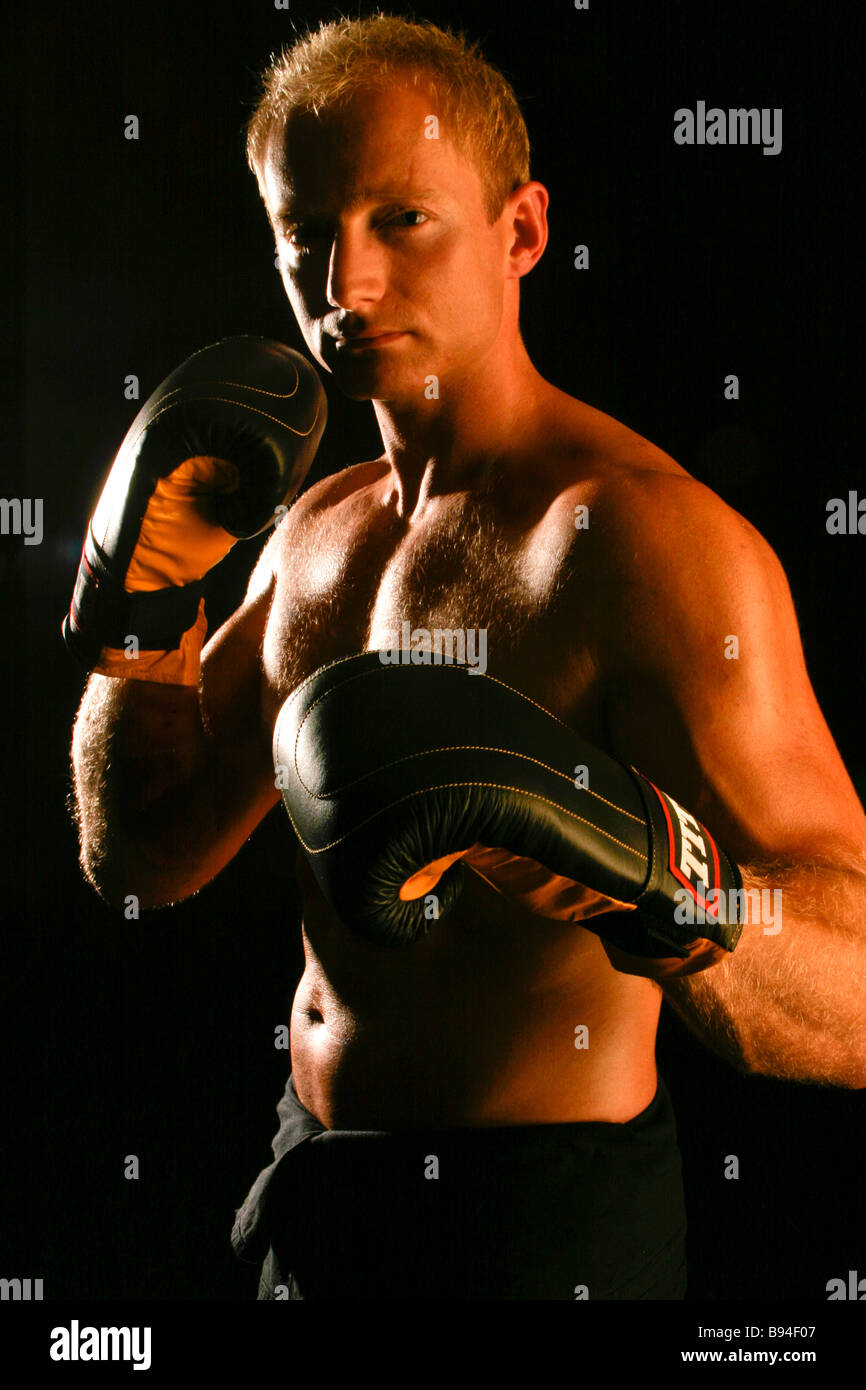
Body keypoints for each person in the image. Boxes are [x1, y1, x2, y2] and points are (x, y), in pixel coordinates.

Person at [65, 15, 866, 1301]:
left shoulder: (635, 546)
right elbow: (142, 854)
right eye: (305, 232)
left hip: (528, 1234)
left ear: (521, 232)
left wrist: (638, 871)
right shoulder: (318, 528)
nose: (347, 282)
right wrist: (141, 609)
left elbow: (859, 992)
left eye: (400, 220)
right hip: (307, 1184)